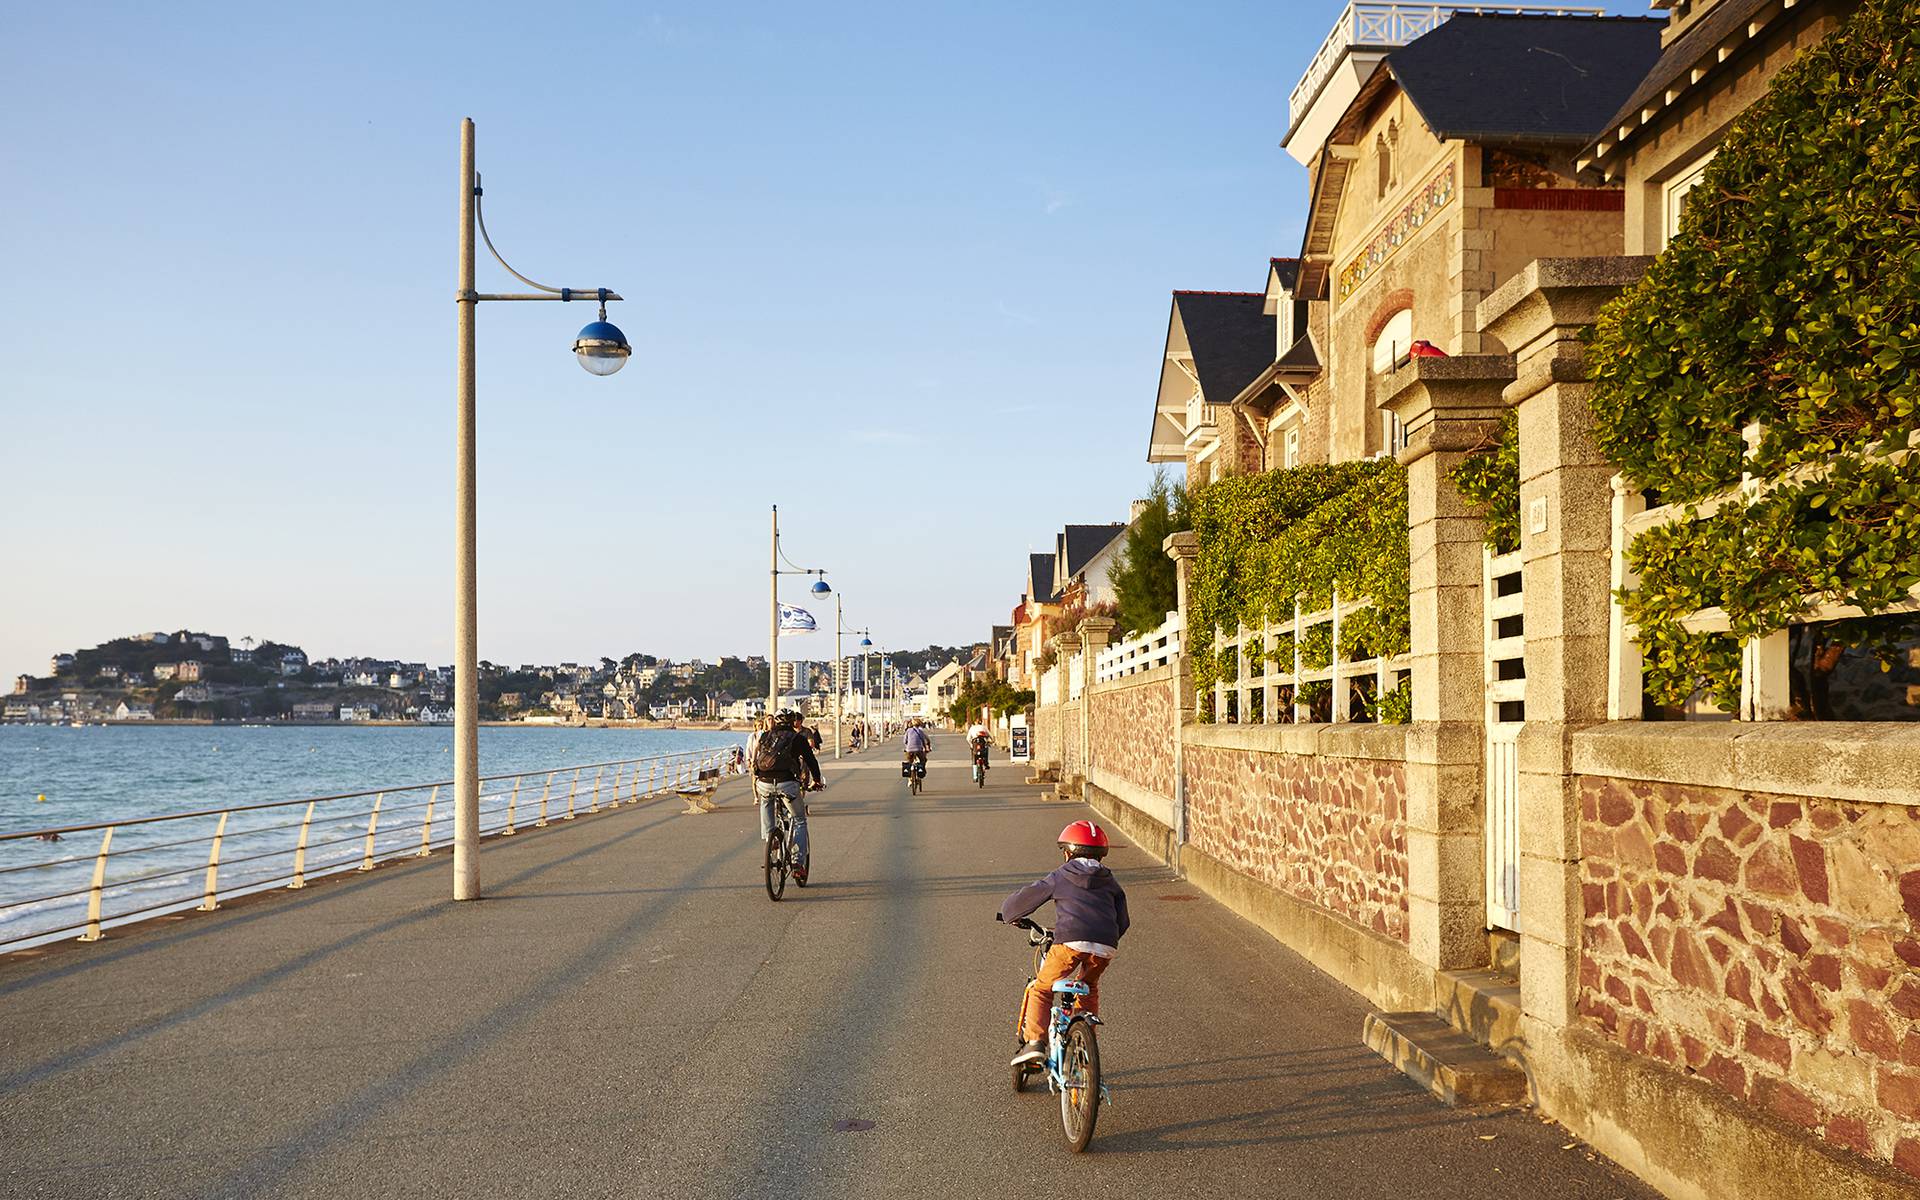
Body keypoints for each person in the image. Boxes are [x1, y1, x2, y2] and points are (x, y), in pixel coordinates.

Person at [997, 820, 1128, 1066]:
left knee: (1042, 988)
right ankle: (1085, 1045)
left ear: (1068, 852)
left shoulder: (1062, 875)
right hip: (1106, 944)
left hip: (1070, 942)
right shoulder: (1110, 881)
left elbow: (1031, 896)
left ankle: (1035, 1042)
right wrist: (1103, 940)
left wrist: (1008, 913)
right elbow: (1123, 920)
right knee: (1088, 986)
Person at [751, 709, 822, 882]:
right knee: (799, 819)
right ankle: (797, 864)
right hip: (787, 783)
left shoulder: (764, 736)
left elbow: (757, 758)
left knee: (765, 802)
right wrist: (817, 780)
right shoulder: (798, 739)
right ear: (793, 722)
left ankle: (770, 838)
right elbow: (811, 761)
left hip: (764, 782)